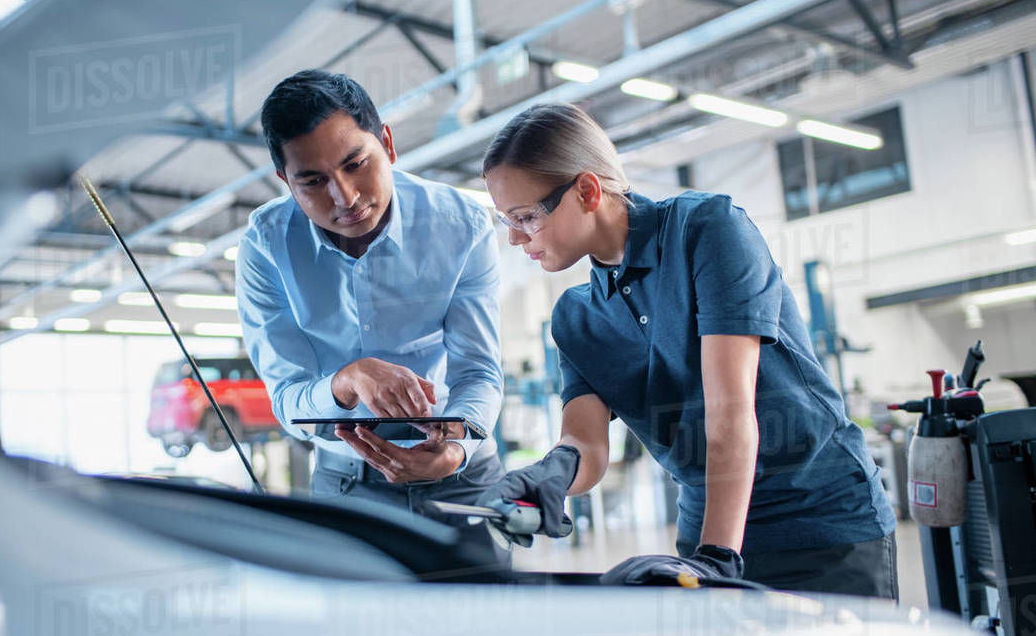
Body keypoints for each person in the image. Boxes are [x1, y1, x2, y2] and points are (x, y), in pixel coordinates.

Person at [476, 103, 897, 597]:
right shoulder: (577, 317)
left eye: (525, 216)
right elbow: (587, 445)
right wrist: (549, 474)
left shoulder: (707, 230)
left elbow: (728, 411)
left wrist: (717, 556)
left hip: (820, 528)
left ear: (588, 191)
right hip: (704, 535)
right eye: (506, 220)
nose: (513, 236)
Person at [236, 70, 507, 566]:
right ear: (285, 181)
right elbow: (287, 398)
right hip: (346, 485)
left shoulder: (462, 226)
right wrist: (346, 381)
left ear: (387, 143)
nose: (345, 197)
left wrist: (455, 447)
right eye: (313, 181)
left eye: (356, 164)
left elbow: (479, 373)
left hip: (462, 477)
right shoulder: (265, 248)